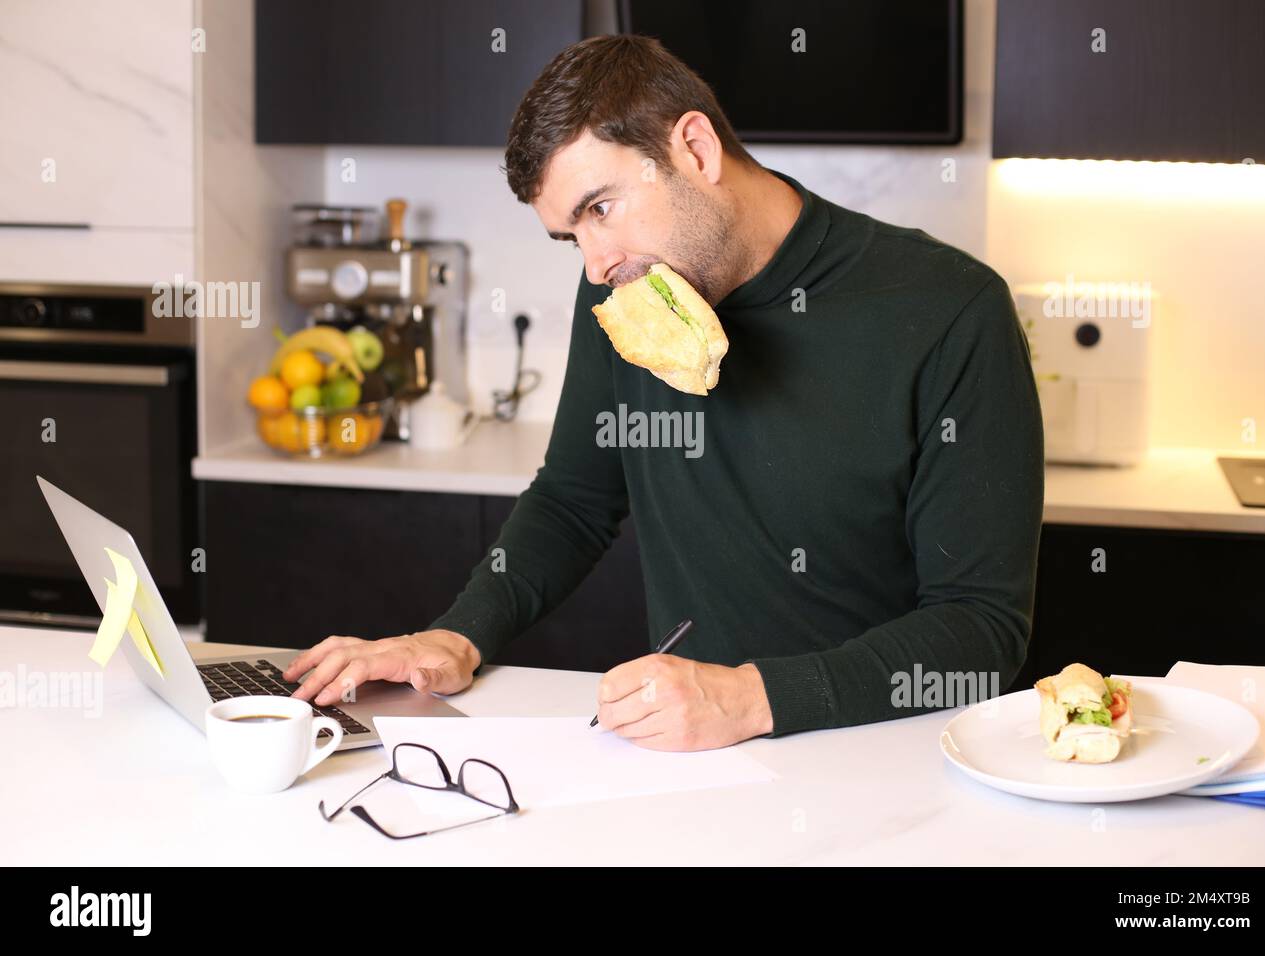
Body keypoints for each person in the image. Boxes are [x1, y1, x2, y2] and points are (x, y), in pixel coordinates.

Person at [286, 35, 1045, 752]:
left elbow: (979, 627)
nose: (594, 264)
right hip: (692, 758)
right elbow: (574, 500)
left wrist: (749, 699)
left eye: (600, 209)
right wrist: (455, 636)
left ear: (695, 148)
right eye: (571, 235)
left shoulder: (949, 309)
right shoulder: (625, 293)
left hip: (883, 756)